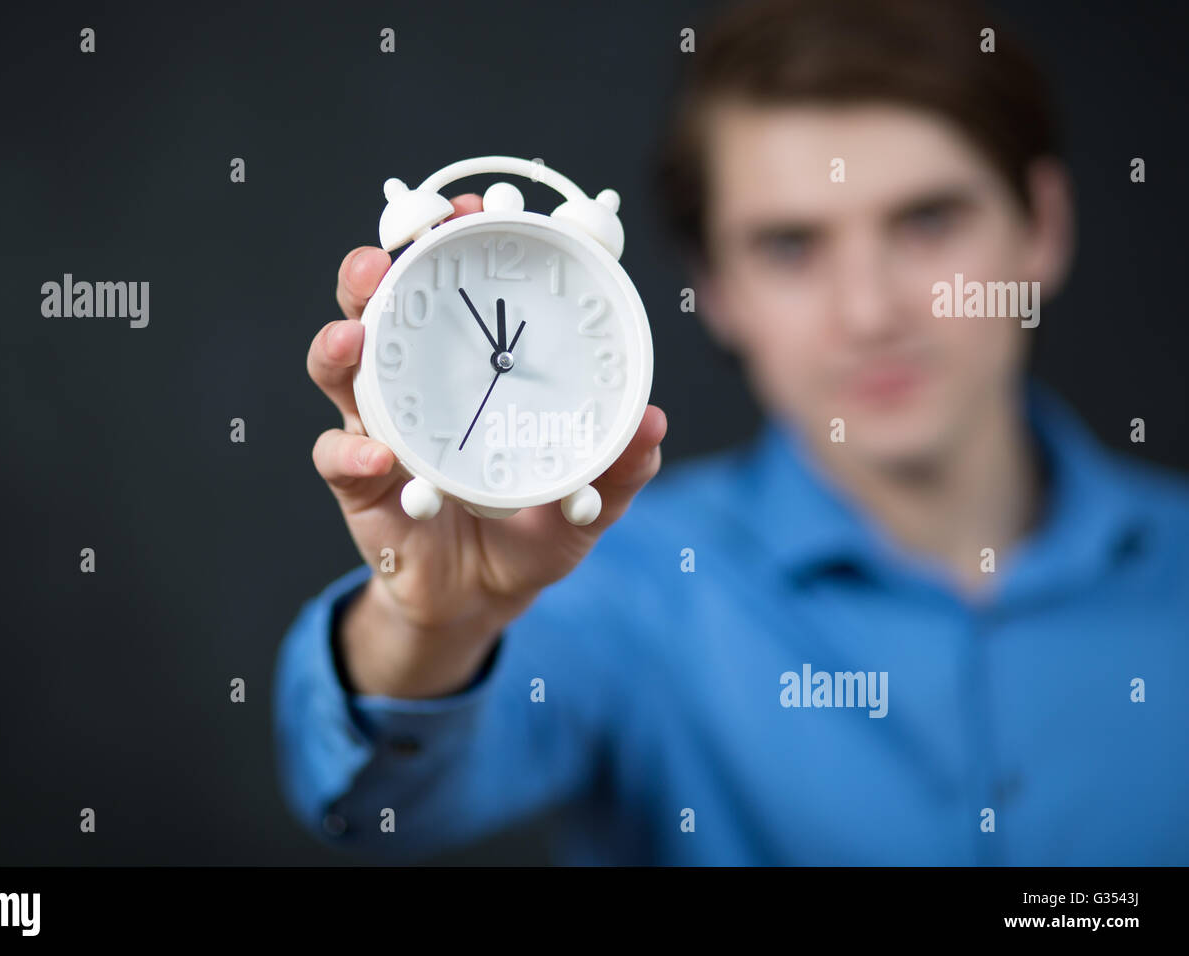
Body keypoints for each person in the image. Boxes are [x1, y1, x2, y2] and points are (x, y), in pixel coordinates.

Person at [273, 0, 1189, 864]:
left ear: (1044, 228)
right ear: (715, 290)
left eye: (929, 221)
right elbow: (381, 809)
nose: (869, 312)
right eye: (790, 246)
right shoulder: (615, 585)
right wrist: (431, 625)